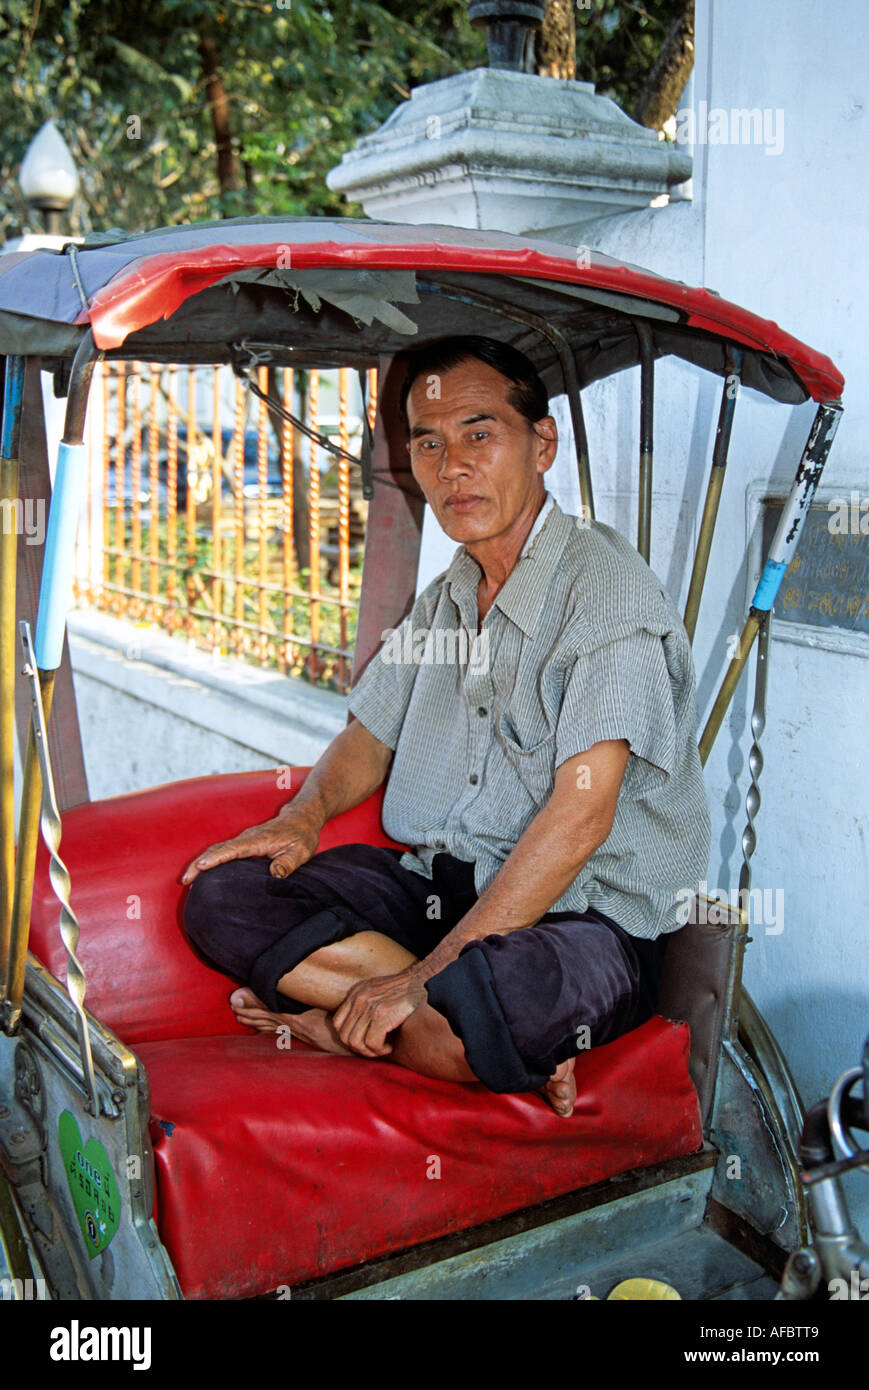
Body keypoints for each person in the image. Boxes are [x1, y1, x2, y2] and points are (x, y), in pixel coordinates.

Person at [182, 335, 711, 1117]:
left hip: (584, 915)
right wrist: (302, 819)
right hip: (446, 892)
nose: (451, 464)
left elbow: (580, 819)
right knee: (223, 896)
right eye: (428, 442)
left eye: (478, 433)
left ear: (541, 445)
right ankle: (436, 1031)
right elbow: (369, 736)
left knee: (500, 996)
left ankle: (367, 1022)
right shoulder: (450, 594)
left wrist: (419, 978)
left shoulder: (604, 596)